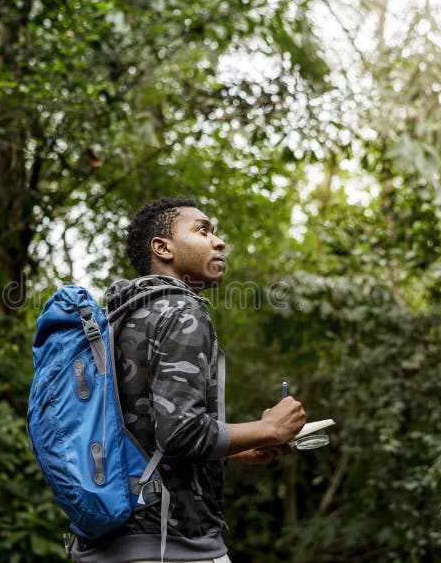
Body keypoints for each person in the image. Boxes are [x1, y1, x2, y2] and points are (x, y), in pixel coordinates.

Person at [70, 197, 306, 563]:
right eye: (202, 230)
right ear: (162, 248)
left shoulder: (114, 319)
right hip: (173, 545)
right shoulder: (182, 311)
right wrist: (269, 428)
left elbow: (140, 432)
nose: (219, 242)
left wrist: (236, 447)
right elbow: (181, 433)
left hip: (105, 541)